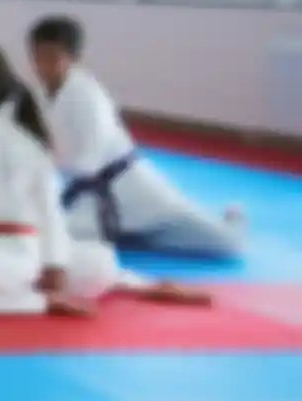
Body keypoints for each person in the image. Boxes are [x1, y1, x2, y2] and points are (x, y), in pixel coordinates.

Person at [0, 43, 209, 316]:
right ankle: (25, 293)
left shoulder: (18, 141)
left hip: (23, 257)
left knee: (98, 260)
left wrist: (54, 265)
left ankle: (37, 300)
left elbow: (48, 205)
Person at [28, 16, 245, 258]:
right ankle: (126, 231)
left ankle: (232, 220)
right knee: (50, 230)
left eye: (52, 57)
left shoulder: (89, 97)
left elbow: (86, 164)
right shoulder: (41, 94)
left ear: (74, 57)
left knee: (224, 245)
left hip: (130, 186)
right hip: (88, 195)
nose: (43, 65)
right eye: (37, 57)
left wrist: (44, 157)